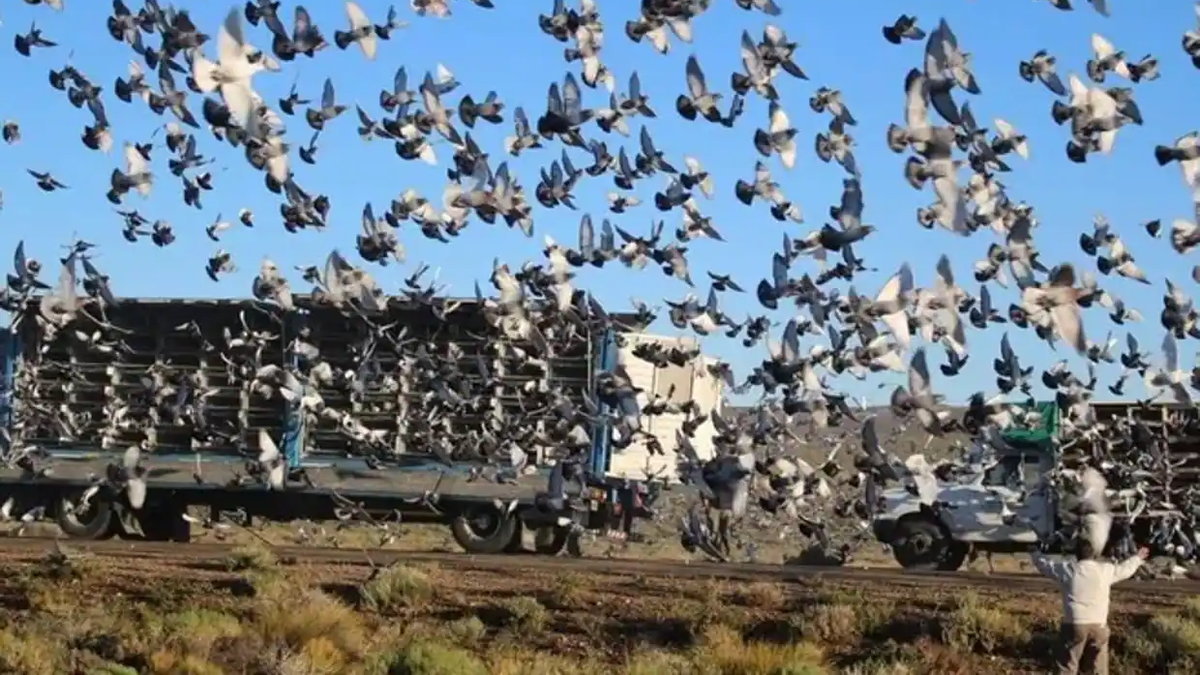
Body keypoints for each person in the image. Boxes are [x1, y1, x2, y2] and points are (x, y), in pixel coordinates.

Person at [1030, 539, 1149, 675]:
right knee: (1097, 668)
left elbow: (1046, 566)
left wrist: (1035, 553)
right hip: (1099, 625)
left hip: (1074, 624)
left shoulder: (1068, 569)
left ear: (1076, 555)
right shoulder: (1105, 570)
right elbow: (1124, 570)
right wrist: (1137, 558)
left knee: (1067, 666)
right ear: (1094, 554)